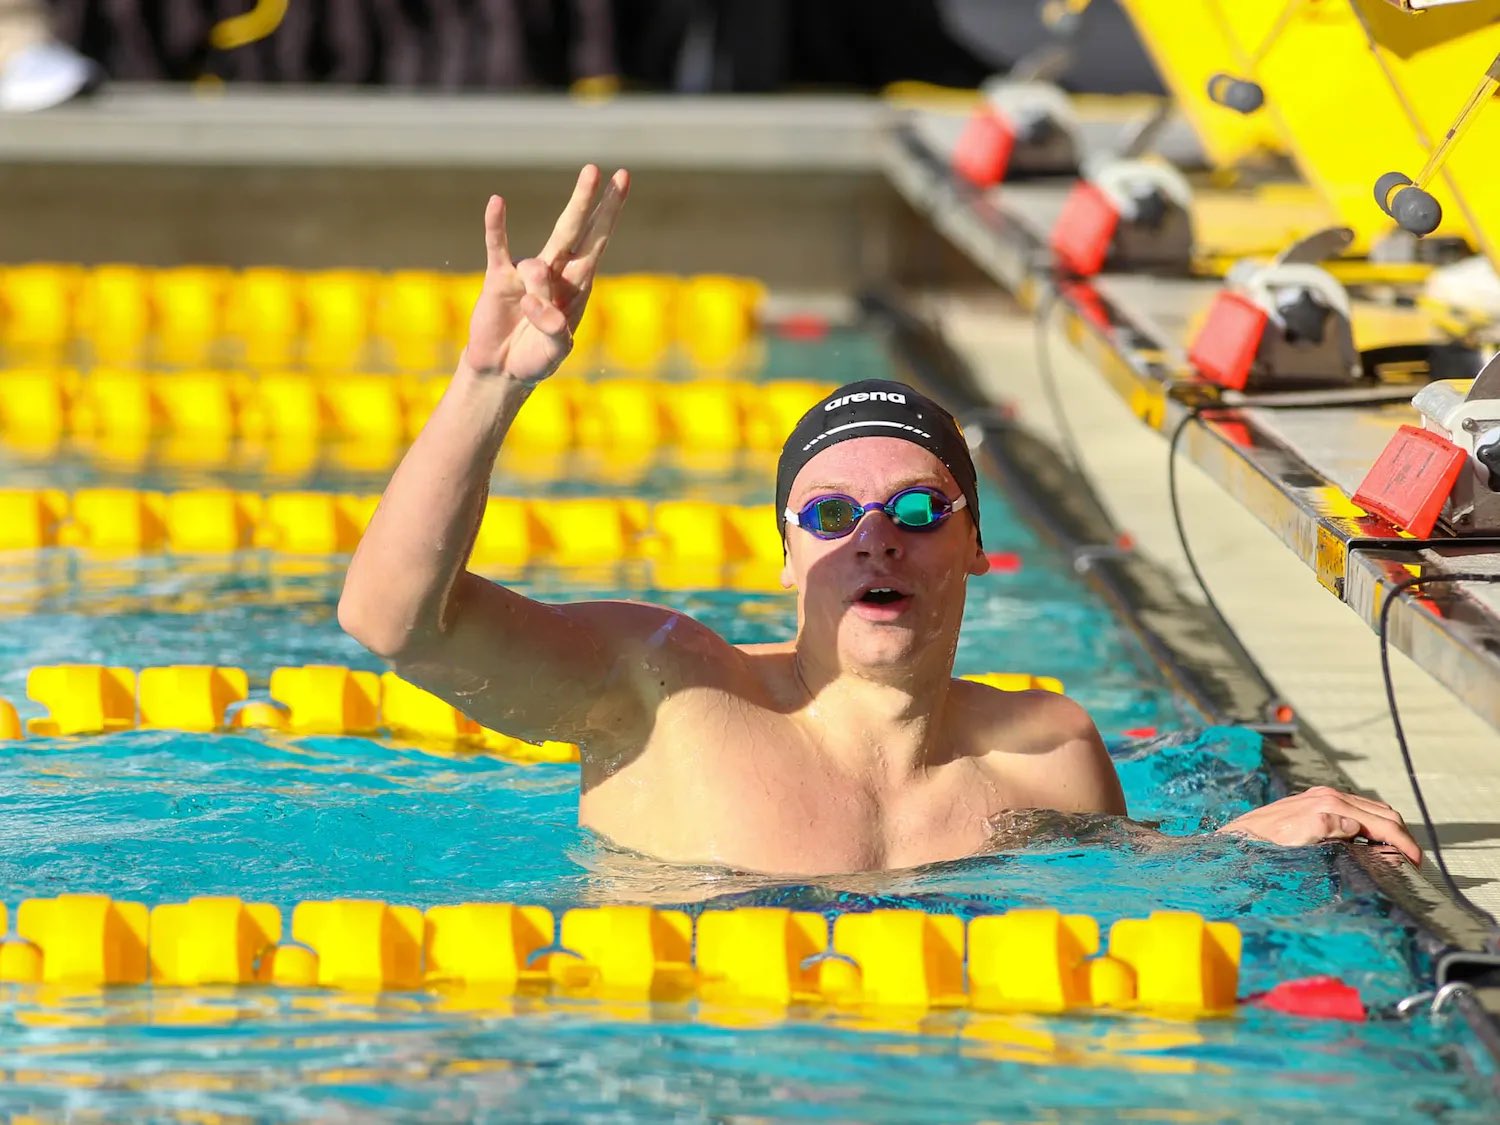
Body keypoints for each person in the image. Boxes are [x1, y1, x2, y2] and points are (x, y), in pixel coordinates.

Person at [338, 165, 1424, 876]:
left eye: (915, 507)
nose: (875, 537)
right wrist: (489, 380)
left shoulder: (1045, 753)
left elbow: (1125, 887)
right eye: (830, 512)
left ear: (977, 544)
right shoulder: (665, 691)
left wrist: (1234, 845)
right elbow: (392, 622)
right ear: (786, 555)